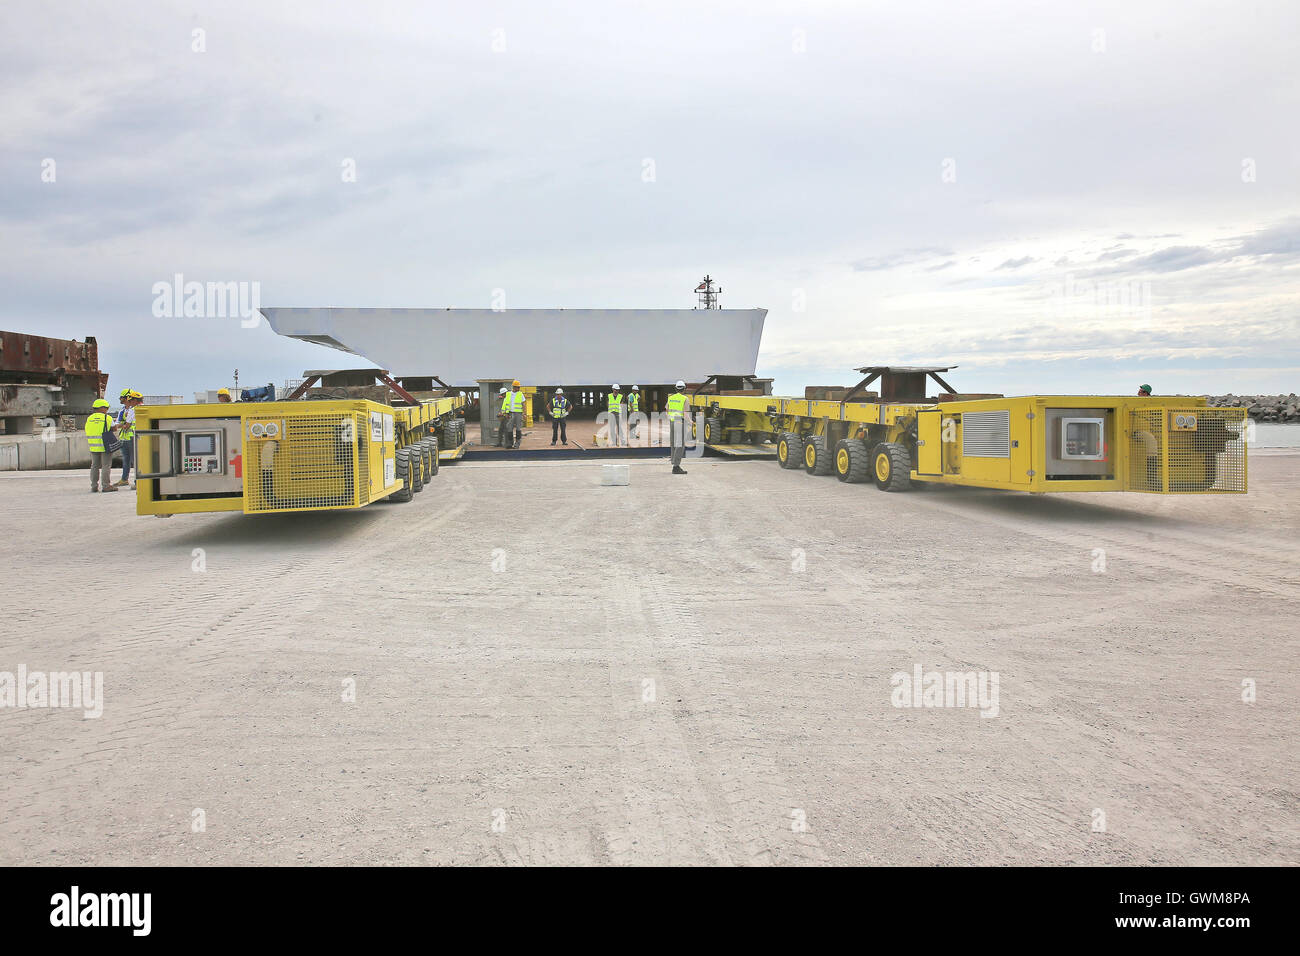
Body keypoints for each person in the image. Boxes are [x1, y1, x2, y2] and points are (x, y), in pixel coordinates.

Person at [85, 398, 120, 493]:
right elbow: (113, 428)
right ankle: (106, 486)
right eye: (106, 408)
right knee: (106, 466)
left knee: (94, 466)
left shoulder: (90, 418)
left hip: (93, 445)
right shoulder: (107, 418)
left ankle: (94, 486)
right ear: (102, 408)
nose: (107, 410)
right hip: (105, 445)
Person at [115, 389, 141, 487]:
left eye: (121, 397)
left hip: (133, 437)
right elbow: (119, 423)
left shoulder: (135, 409)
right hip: (124, 438)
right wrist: (121, 425)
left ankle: (137, 481)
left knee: (136, 461)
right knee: (126, 460)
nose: (120, 399)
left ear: (127, 398)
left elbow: (126, 424)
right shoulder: (122, 411)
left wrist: (122, 425)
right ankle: (124, 479)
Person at [665, 380, 690, 475]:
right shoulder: (685, 399)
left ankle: (674, 463)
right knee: (680, 444)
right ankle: (676, 466)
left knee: (674, 443)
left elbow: (666, 409)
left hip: (672, 422)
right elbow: (685, 413)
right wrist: (691, 422)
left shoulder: (670, 398)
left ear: (675, 388)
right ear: (684, 389)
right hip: (680, 422)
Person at [504, 380, 527, 448]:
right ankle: (510, 443)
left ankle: (517, 443)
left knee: (518, 429)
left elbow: (523, 404)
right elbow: (506, 404)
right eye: (517, 387)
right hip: (511, 413)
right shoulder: (508, 394)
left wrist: (524, 414)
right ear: (513, 387)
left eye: (519, 387)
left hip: (518, 413)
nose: (518, 389)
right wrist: (507, 413)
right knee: (509, 428)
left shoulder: (520, 394)